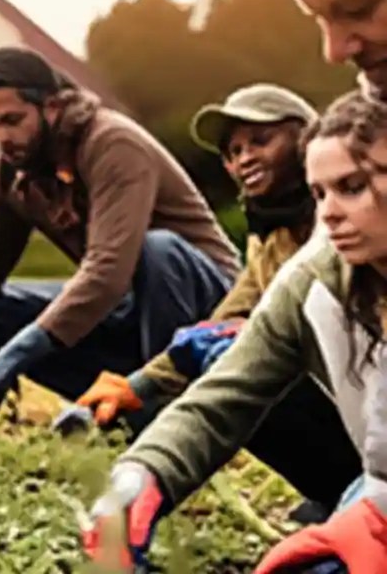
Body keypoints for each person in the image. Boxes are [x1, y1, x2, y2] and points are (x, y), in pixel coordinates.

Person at [84, 0, 387, 569]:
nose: (335, 47)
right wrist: (143, 472)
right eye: (318, 16)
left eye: (358, 7)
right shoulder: (322, 245)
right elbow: (252, 352)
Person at [0, 46, 240, 429]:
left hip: (209, 310)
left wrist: (12, 358)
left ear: (52, 107)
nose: (1, 137)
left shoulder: (113, 145)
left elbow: (107, 270)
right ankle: (109, 407)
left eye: (12, 120)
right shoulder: (11, 175)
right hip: (126, 311)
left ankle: (159, 409)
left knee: (160, 250)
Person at [85, 91, 387, 573]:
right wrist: (144, 472)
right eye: (320, 194)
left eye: (351, 186)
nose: (329, 213)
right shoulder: (312, 277)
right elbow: (228, 386)